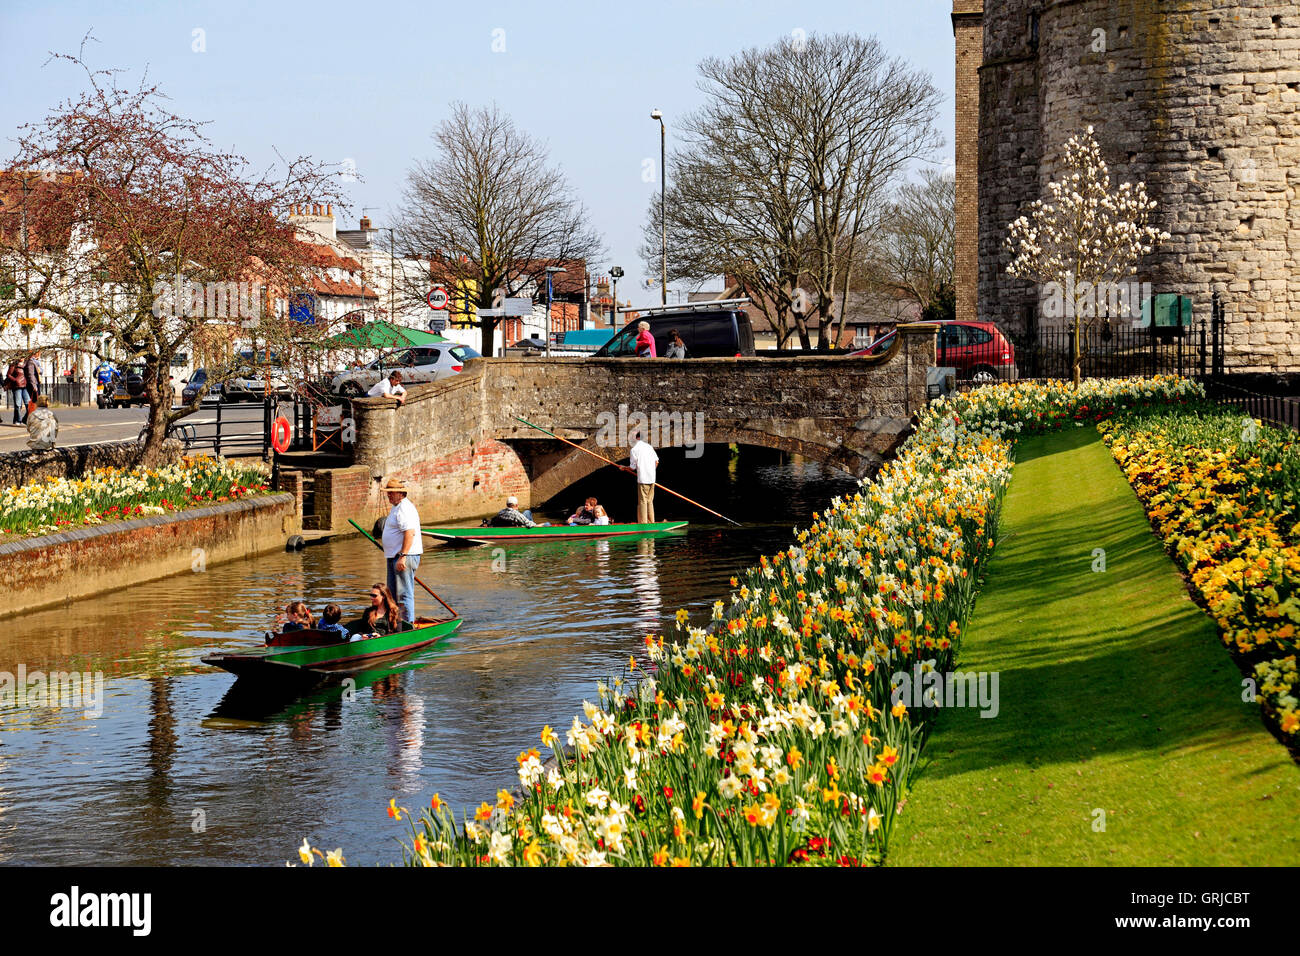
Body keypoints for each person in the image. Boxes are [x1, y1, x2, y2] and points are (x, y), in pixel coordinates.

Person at [381, 477, 422, 628]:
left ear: (400, 493)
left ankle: (408, 625)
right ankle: (396, 624)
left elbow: (409, 533)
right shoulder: (397, 507)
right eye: (388, 493)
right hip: (394, 556)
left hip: (403, 557)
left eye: (391, 493)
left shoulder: (404, 507)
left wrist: (403, 556)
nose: (388, 495)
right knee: (391, 594)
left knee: (404, 594)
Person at [621, 430, 659, 523]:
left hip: (643, 479)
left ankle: (644, 523)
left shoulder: (634, 449)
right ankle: (651, 522)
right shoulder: (649, 447)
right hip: (652, 478)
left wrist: (624, 468)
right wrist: (650, 471)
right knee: (649, 501)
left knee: (642, 502)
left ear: (636, 438)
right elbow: (656, 462)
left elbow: (632, 467)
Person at [4, 359, 27, 425]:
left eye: (23, 356)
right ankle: (18, 420)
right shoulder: (14, 364)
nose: (22, 358)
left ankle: (25, 419)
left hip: (25, 386)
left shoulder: (26, 363)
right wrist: (15, 380)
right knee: (18, 404)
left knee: (28, 404)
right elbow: (8, 375)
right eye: (21, 356)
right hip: (17, 386)